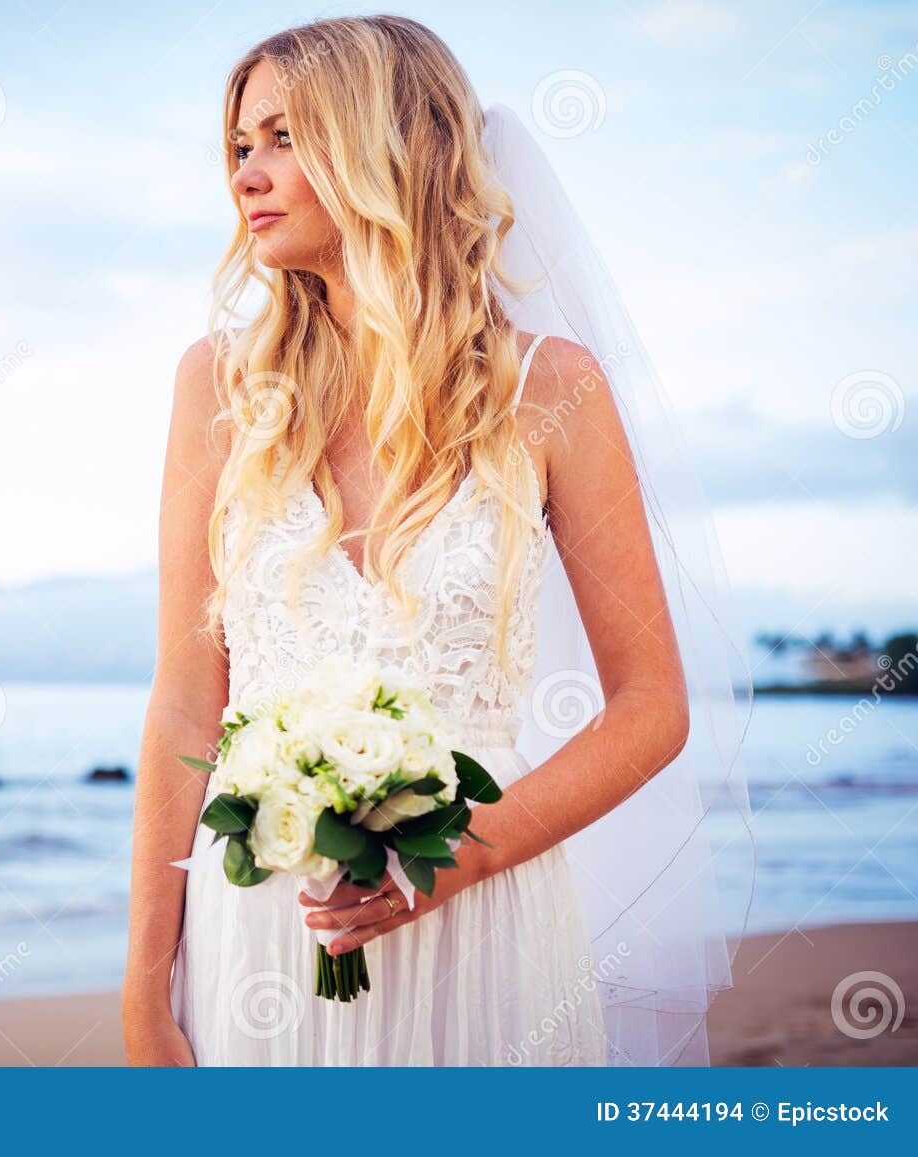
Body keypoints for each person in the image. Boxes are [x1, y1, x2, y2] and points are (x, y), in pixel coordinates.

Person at [122, 14, 752, 1067]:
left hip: (485, 919)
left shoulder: (549, 391)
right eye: (239, 148)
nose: (247, 176)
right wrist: (145, 996)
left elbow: (651, 708)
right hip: (264, 933)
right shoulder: (220, 388)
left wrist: (445, 863)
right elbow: (187, 699)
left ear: (386, 142)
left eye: (283, 138)